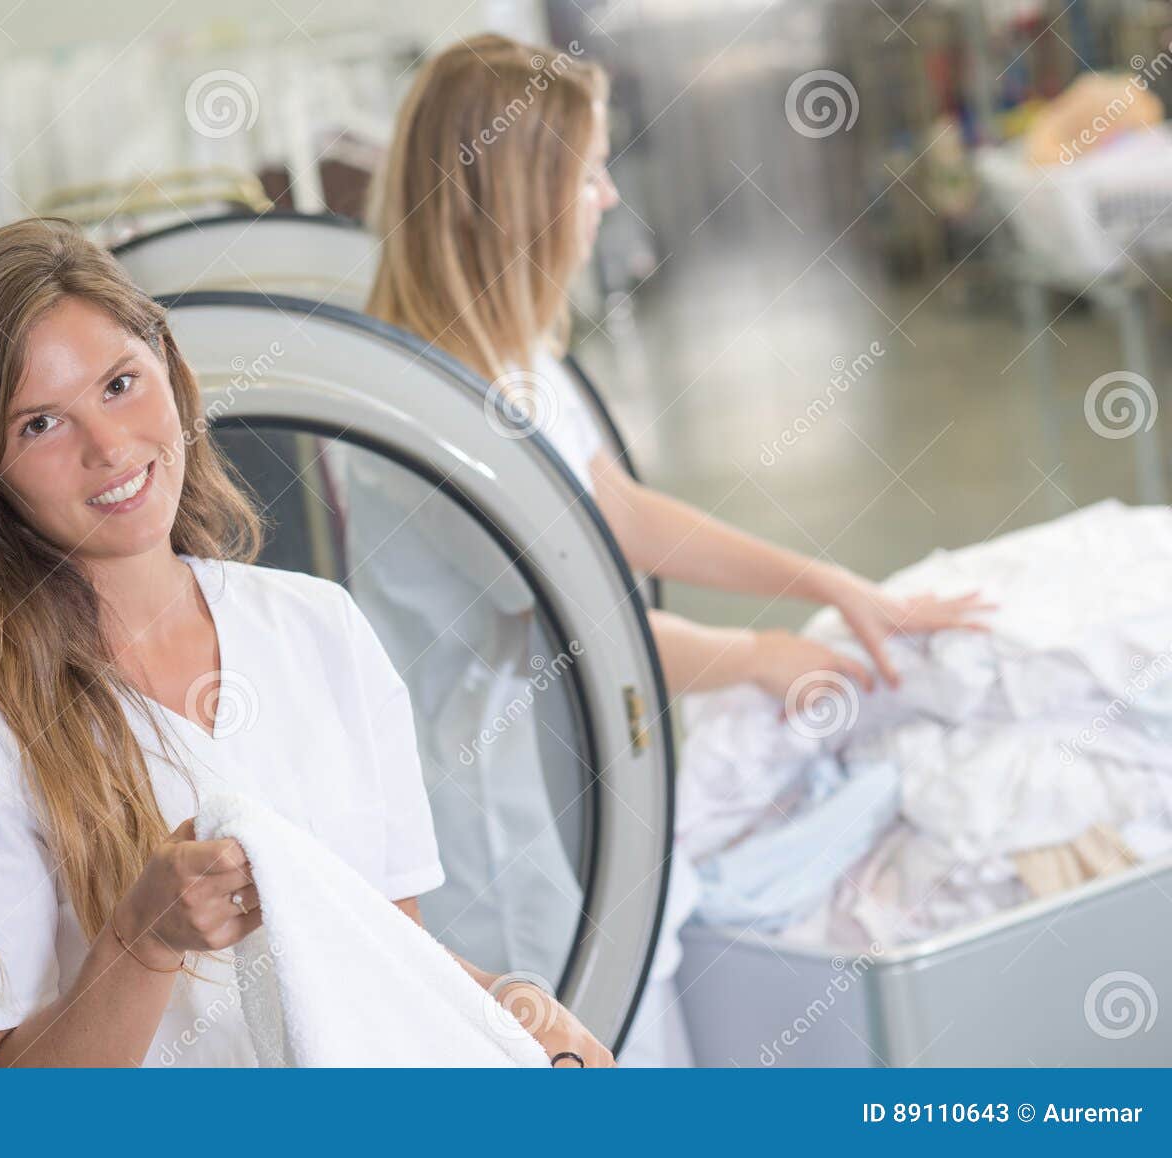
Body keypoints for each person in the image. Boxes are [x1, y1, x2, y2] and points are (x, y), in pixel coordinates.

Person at [355, 34, 991, 1065]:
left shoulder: (517, 361)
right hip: (512, 837)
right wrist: (756, 656)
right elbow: (582, 623)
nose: (605, 198)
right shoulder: (440, 410)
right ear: (519, 197)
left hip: (593, 790)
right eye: (588, 174)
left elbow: (622, 515)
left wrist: (826, 584)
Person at [0, 217, 612, 1067]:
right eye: (39, 425)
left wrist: (523, 1021)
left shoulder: (319, 629)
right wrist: (143, 939)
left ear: (172, 378)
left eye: (119, 384)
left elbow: (385, 964)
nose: (108, 447)